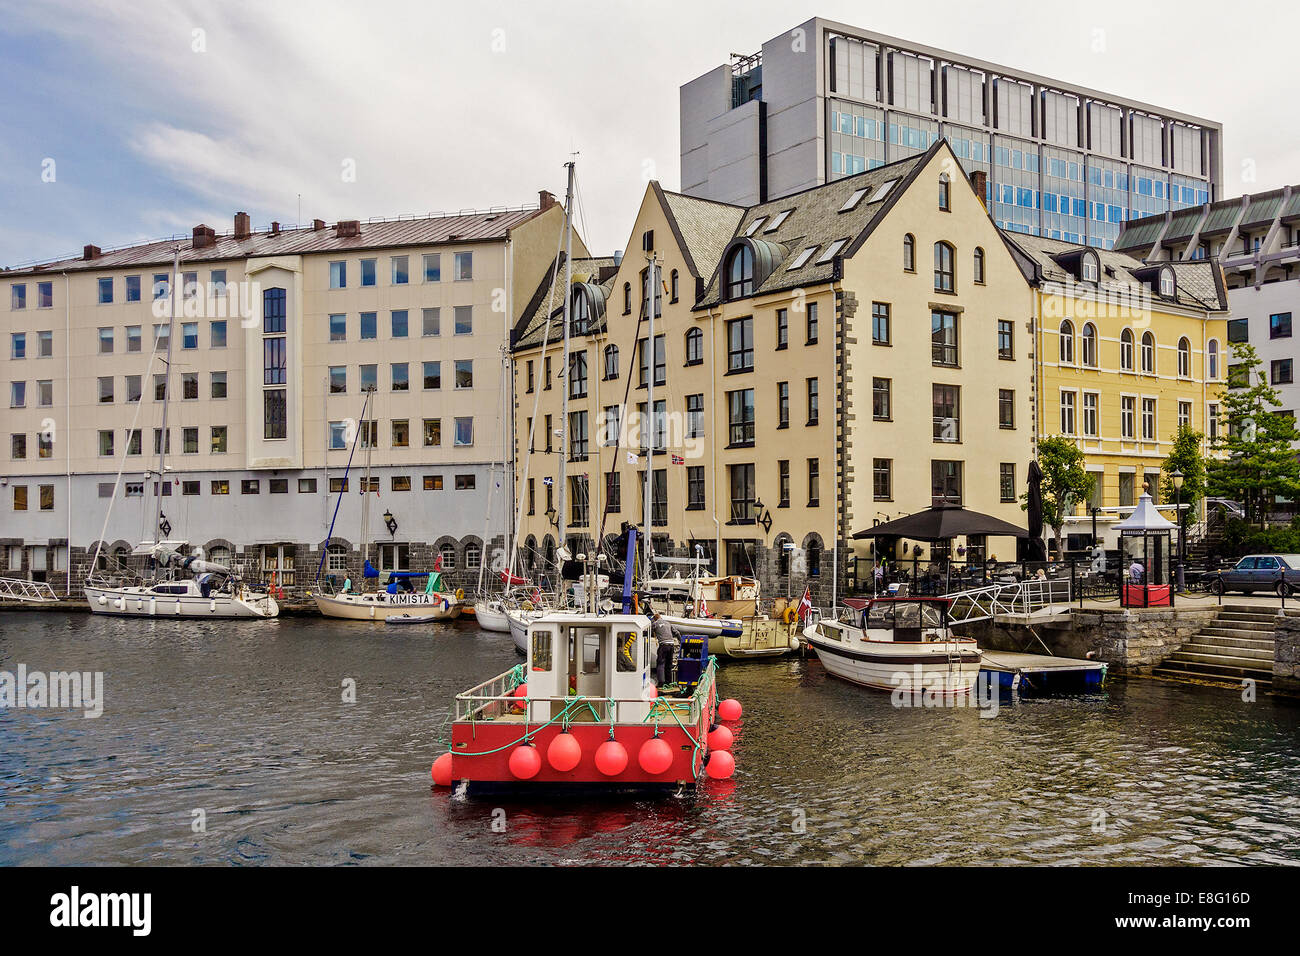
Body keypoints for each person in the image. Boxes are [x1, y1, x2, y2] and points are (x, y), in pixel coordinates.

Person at [650, 610, 680, 686]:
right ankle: (668, 682)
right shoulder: (668, 623)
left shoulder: (655, 623)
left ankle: (661, 682)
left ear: (655, 619)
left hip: (663, 645)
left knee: (660, 663)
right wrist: (680, 640)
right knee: (668, 664)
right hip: (671, 645)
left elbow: (649, 631)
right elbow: (677, 633)